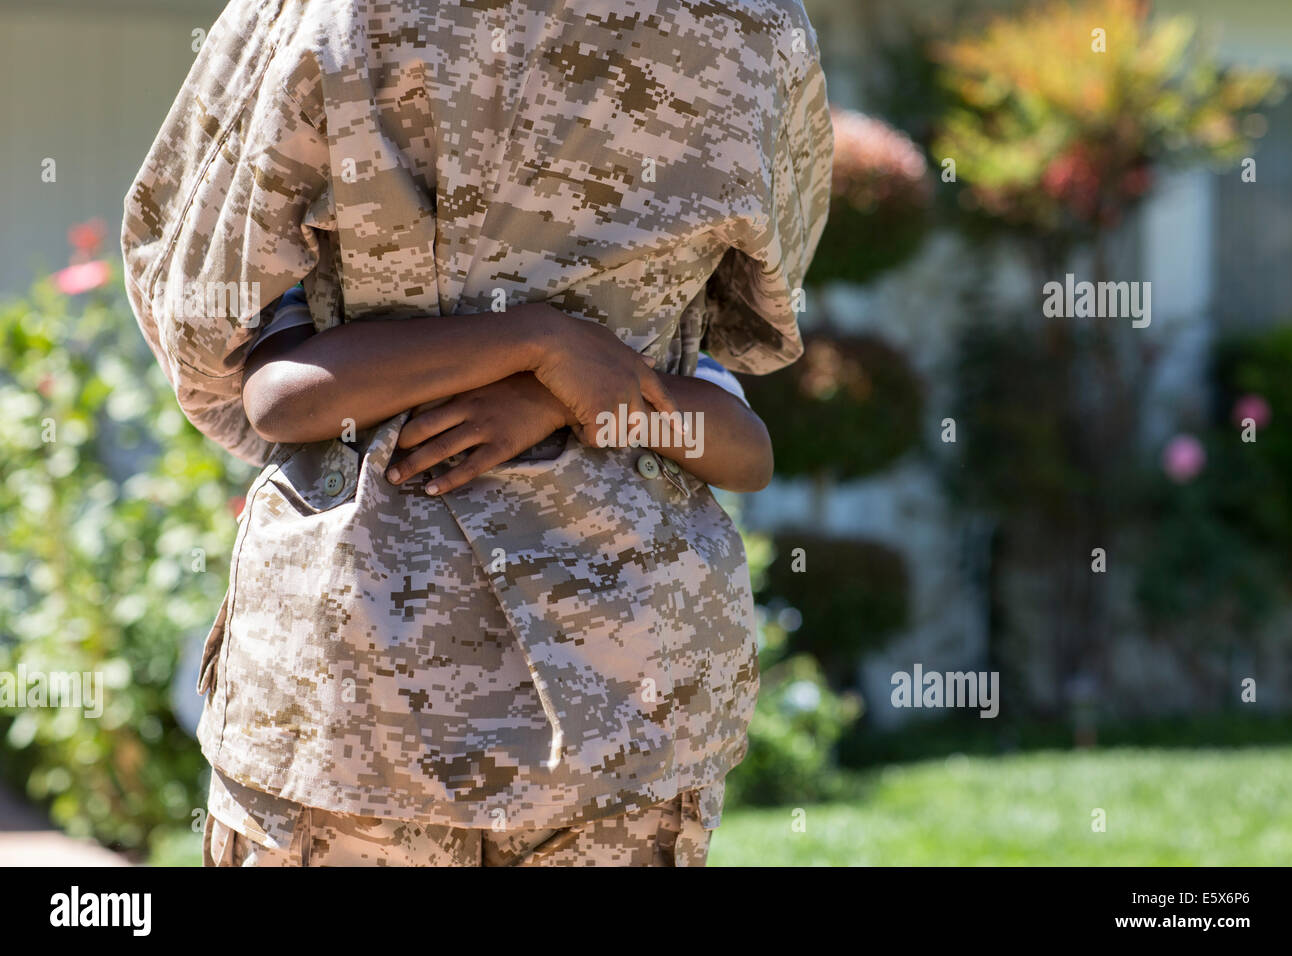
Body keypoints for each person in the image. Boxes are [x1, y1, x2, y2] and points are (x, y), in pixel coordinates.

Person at [122, 0, 832, 867]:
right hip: (623, 708)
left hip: (359, 712)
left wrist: (553, 378)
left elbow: (238, 358)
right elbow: (755, 314)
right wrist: (548, 346)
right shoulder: (750, 21)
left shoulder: (333, 14)